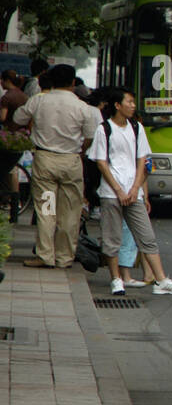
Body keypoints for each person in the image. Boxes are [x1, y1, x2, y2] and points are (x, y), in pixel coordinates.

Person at [88, 89, 172, 295]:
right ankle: (116, 279)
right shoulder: (104, 129)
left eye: (133, 102)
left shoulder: (137, 127)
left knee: (146, 236)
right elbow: (101, 163)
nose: (133, 106)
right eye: (129, 102)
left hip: (134, 194)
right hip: (111, 192)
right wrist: (118, 189)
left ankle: (161, 280)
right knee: (112, 238)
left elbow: (143, 160)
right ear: (117, 105)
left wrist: (135, 188)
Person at [11, 64, 99, 268]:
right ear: (73, 83)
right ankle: (64, 257)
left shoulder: (39, 101)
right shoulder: (81, 107)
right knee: (70, 212)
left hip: (45, 162)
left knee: (47, 209)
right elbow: (89, 137)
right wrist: (80, 150)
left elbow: (17, 119)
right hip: (71, 161)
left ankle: (45, 256)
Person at [0, 70, 30, 222]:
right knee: (13, 171)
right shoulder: (24, 96)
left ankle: (6, 200)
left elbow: (3, 117)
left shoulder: (7, 97)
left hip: (7, 137)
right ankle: (15, 206)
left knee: (6, 169)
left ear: (5, 80)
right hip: (21, 138)